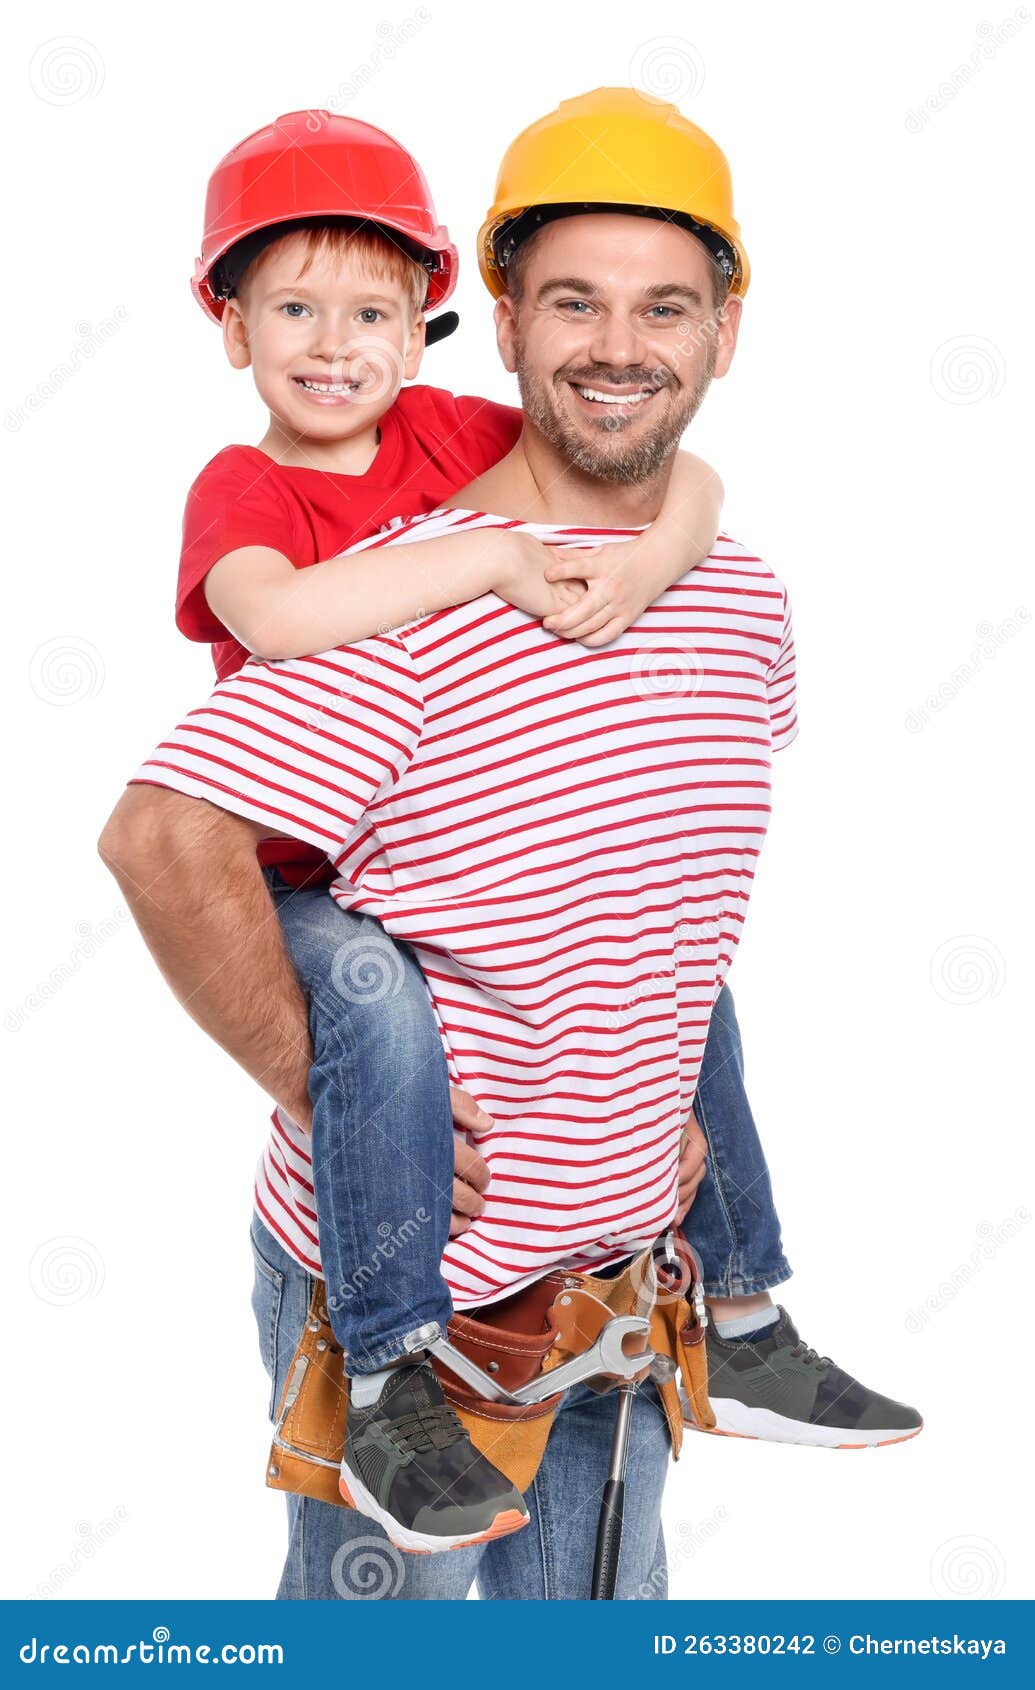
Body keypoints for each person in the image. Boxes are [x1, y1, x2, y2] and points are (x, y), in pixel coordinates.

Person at [100, 90, 920, 1600]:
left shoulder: (738, 597)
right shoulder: (396, 591)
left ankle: (750, 1312)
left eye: (665, 306)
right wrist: (346, 1107)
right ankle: (397, 1341)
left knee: (599, 1630)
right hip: (414, 1281)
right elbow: (158, 838)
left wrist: (630, 1104)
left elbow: (644, 892)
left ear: (726, 331)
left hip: (618, 1280)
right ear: (506, 316)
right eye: (574, 304)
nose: (619, 347)